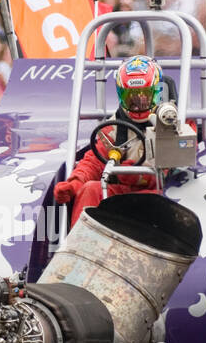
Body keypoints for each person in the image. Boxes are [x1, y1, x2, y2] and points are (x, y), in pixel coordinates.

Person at [54, 54, 163, 224]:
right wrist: (75, 182)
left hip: (160, 193)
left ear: (156, 92)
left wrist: (139, 176)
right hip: (125, 192)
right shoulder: (114, 126)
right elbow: (95, 161)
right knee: (90, 189)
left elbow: (173, 172)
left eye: (145, 95)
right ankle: (79, 246)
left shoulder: (175, 122)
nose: (138, 102)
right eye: (131, 96)